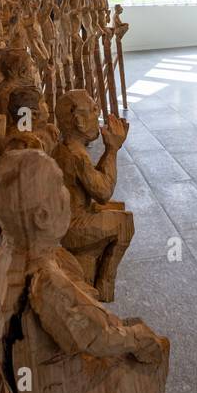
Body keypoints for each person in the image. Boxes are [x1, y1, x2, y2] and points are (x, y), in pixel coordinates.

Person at [0, 149, 169, 393]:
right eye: (60, 187)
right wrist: (141, 339)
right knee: (153, 353)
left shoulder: (3, 258)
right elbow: (98, 336)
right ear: (42, 216)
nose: (67, 195)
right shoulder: (44, 281)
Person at [52, 89, 132, 303]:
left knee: (119, 208)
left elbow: (92, 185)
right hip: (72, 227)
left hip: (69, 217)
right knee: (125, 223)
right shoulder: (76, 155)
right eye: (93, 110)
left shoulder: (66, 148)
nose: (99, 116)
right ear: (78, 121)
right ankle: (104, 285)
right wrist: (112, 149)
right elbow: (104, 192)